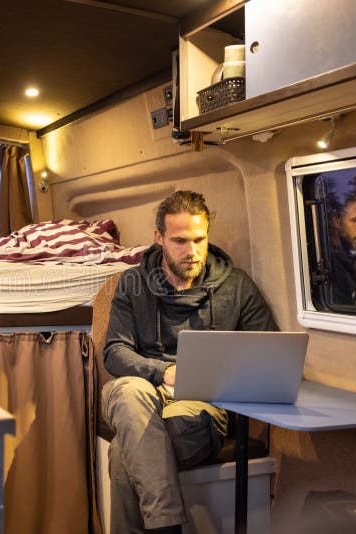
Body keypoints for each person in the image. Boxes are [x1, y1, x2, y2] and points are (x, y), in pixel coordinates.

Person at [101, 190, 278, 534]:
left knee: (125, 454)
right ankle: (168, 525)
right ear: (159, 238)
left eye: (200, 239)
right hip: (144, 392)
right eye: (180, 241)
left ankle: (164, 526)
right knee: (127, 391)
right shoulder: (133, 283)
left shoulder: (237, 286)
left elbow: (268, 353)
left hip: (201, 401)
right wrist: (164, 371)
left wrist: (217, 376)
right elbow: (114, 351)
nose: (192, 251)